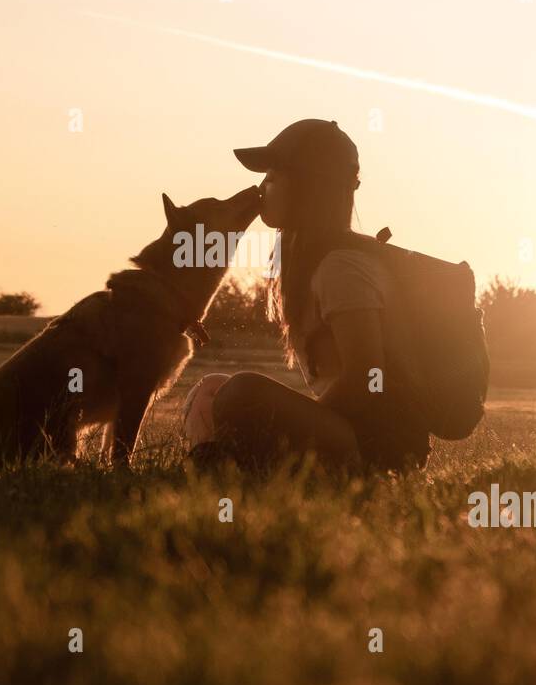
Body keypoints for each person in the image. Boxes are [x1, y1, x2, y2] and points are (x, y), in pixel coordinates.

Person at [183, 119, 430, 473]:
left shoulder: (341, 268)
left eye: (272, 176)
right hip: (345, 431)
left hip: (379, 447)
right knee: (210, 390)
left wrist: (304, 419)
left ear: (308, 186)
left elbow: (367, 375)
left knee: (241, 394)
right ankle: (213, 471)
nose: (261, 186)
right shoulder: (311, 261)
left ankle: (228, 469)